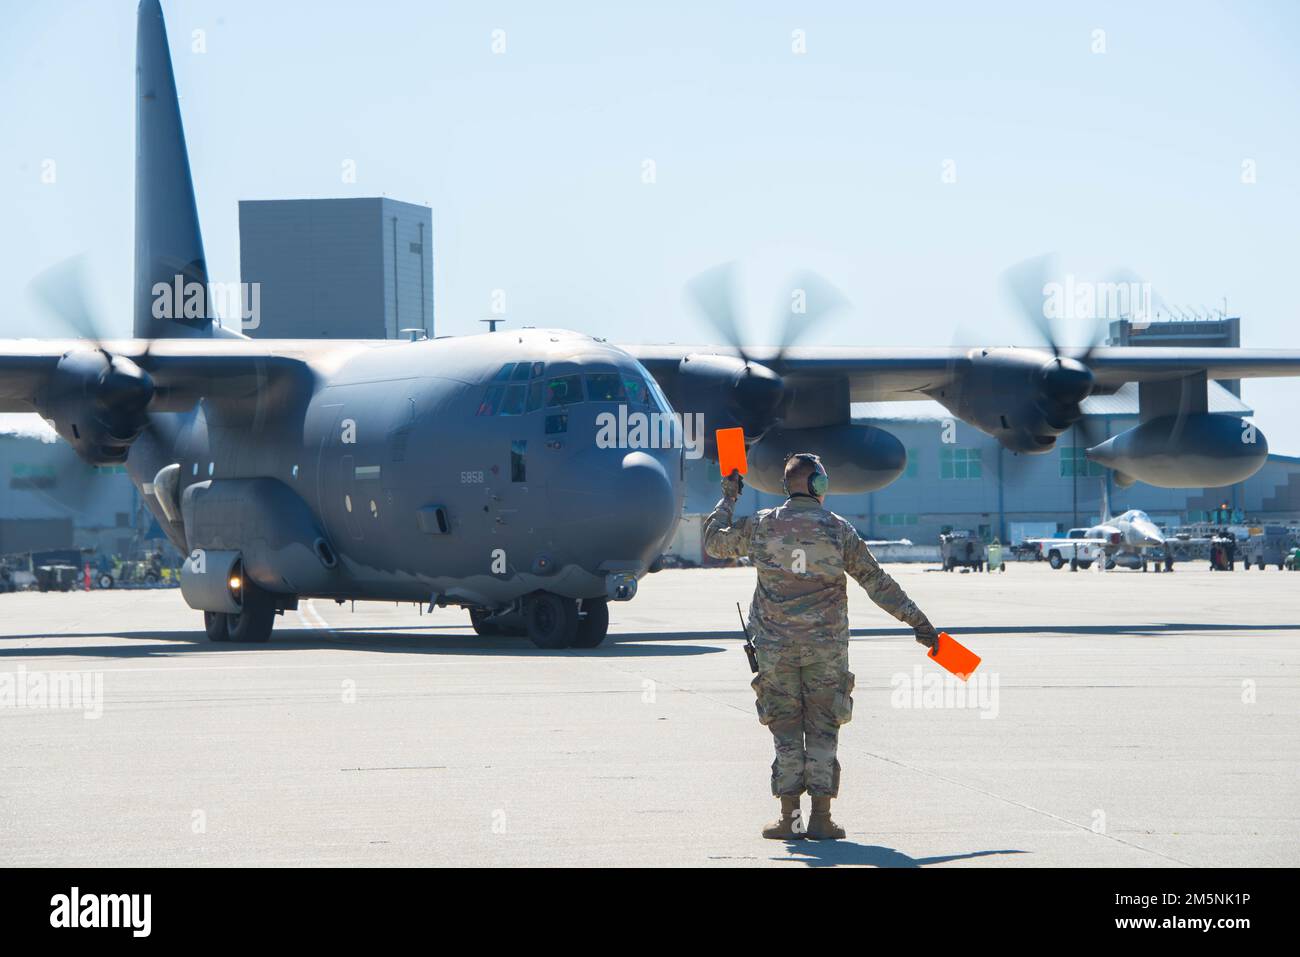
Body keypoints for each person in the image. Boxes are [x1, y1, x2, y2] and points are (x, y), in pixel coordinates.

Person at [704, 453, 939, 840]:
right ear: (819, 487)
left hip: (776, 649)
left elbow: (714, 543)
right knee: (823, 729)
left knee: (785, 728)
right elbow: (876, 582)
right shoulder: (837, 529)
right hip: (825, 650)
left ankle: (789, 820)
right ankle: (822, 819)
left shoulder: (762, 525)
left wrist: (728, 497)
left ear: (786, 487)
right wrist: (918, 621)